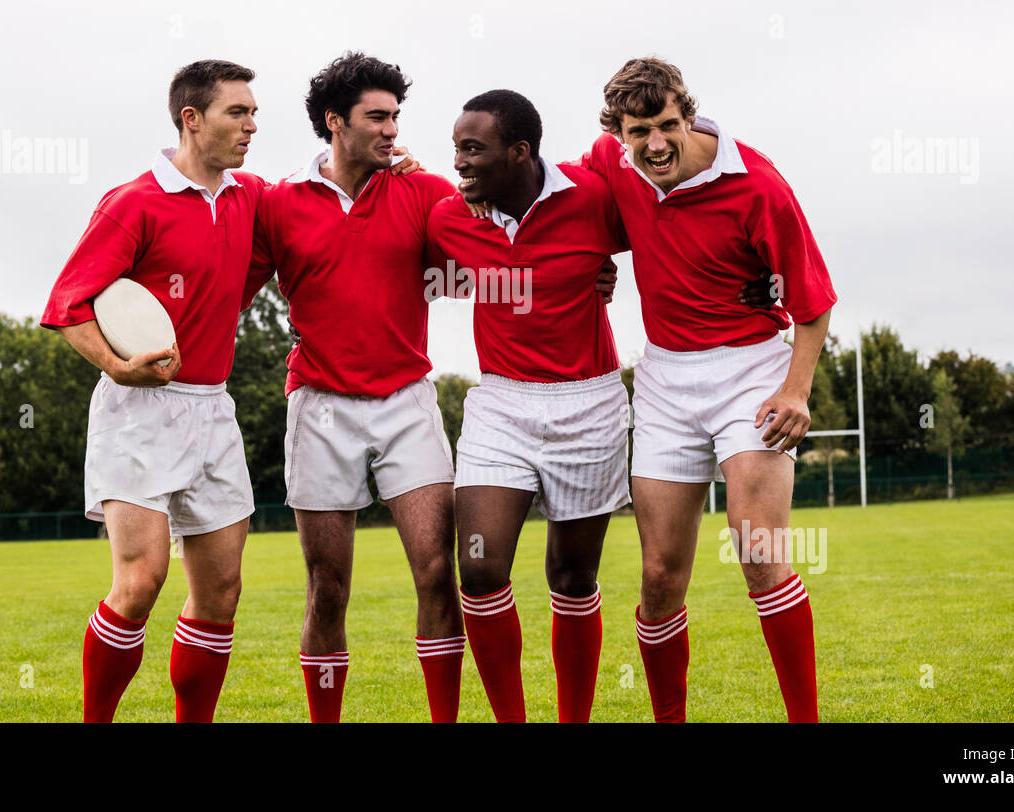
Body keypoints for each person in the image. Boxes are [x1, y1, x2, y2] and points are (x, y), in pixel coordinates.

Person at [579, 57, 837, 723]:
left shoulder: (757, 185)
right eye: (639, 132)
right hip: (664, 377)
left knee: (759, 555)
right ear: (617, 132)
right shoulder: (611, 163)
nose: (655, 144)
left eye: (667, 125)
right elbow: (563, 208)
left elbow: (812, 300)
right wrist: (595, 263)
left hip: (749, 370)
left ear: (688, 116)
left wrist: (796, 391)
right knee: (660, 578)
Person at [41, 59, 275, 722]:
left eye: (255, 113)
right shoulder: (132, 202)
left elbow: (321, 198)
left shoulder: (249, 198)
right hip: (139, 409)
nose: (252, 125)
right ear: (191, 118)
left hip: (214, 408)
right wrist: (116, 366)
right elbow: (67, 306)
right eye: (238, 112)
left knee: (223, 592)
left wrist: (386, 167)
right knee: (141, 581)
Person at [250, 52, 465, 723]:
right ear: (333, 122)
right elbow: (227, 285)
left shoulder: (423, 192)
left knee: (437, 576)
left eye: (396, 116)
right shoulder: (280, 203)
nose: (391, 129)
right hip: (319, 406)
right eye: (377, 116)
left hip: (408, 401)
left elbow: (477, 269)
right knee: (328, 588)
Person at [426, 89, 630, 723]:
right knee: (480, 568)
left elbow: (668, 228)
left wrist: (760, 286)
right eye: (456, 146)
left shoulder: (595, 199)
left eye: (473, 149)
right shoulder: (448, 218)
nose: (459, 161)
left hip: (589, 402)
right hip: (500, 404)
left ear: (519, 153)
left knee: (572, 579)